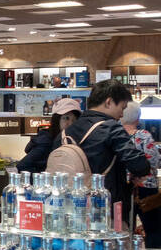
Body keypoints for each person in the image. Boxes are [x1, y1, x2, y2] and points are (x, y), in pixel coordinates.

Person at [61, 80, 151, 212]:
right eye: (122, 108)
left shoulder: (65, 133)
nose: (121, 115)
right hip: (104, 207)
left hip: (70, 206)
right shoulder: (111, 128)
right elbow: (140, 165)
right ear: (109, 102)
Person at [121, 101, 161, 248]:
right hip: (147, 188)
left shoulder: (116, 135)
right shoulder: (144, 135)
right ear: (137, 118)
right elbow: (156, 162)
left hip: (124, 187)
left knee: (126, 226)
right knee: (153, 228)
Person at [17, 97, 81, 173]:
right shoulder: (46, 140)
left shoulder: (69, 140)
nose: (70, 123)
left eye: (75, 120)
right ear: (57, 119)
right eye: (66, 118)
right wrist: (45, 179)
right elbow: (22, 166)